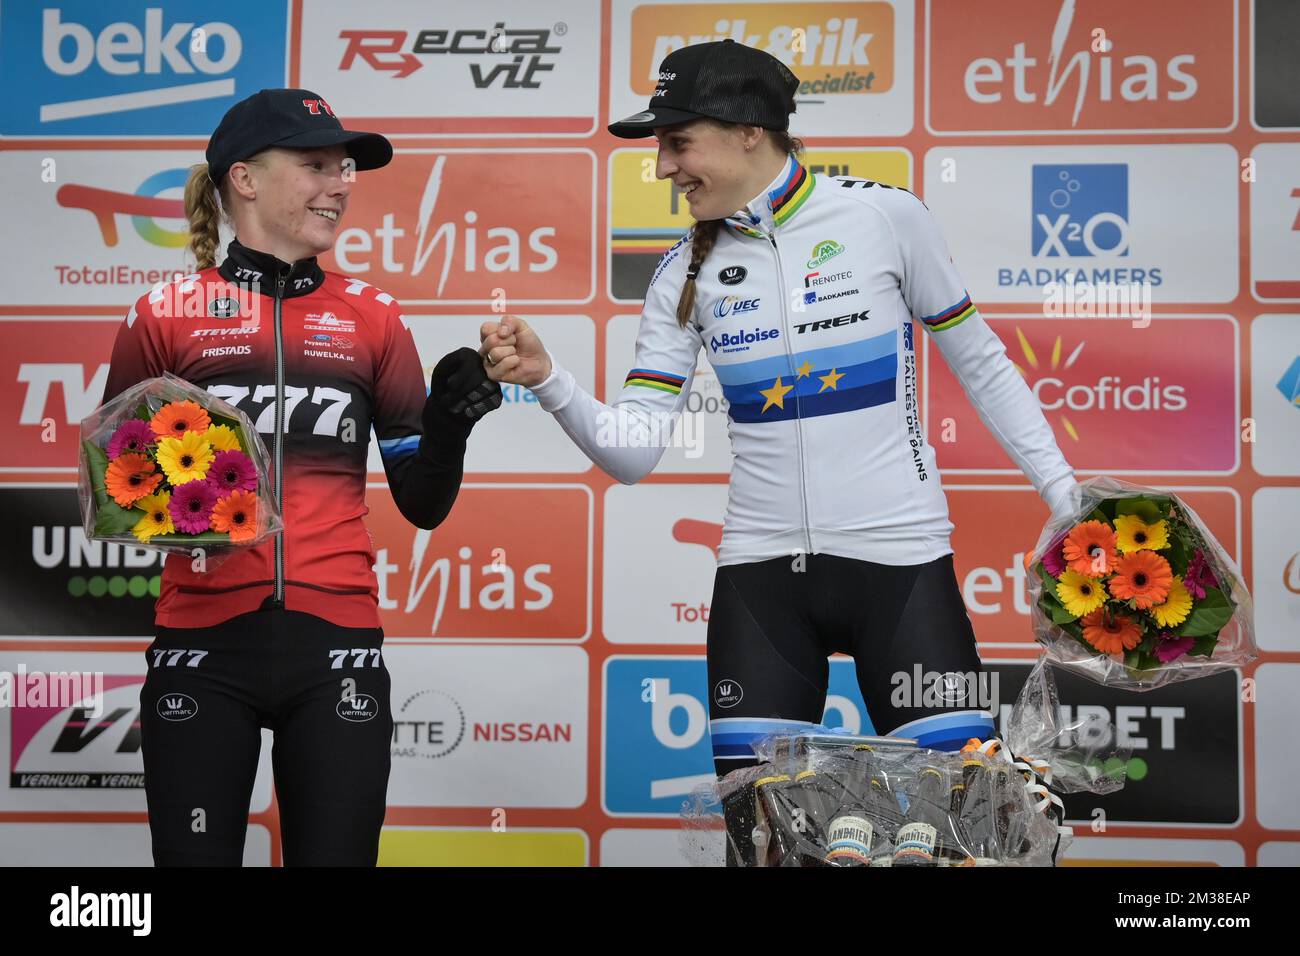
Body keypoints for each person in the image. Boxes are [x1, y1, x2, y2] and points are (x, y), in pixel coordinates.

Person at [479, 41, 1081, 862]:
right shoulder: (678, 276)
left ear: (747, 130)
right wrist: (549, 379)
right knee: (765, 848)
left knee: (964, 835)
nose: (661, 167)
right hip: (761, 585)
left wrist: (1067, 495)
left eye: (676, 141)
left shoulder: (884, 217)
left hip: (902, 568)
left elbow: (982, 364)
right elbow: (632, 453)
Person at [99, 88, 502, 866]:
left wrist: (450, 426)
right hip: (201, 648)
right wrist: (195, 500)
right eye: (316, 165)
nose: (341, 182)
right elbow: (116, 491)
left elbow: (422, 502)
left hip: (337, 648)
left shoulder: (373, 316)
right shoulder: (166, 313)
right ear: (245, 179)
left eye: (345, 166)